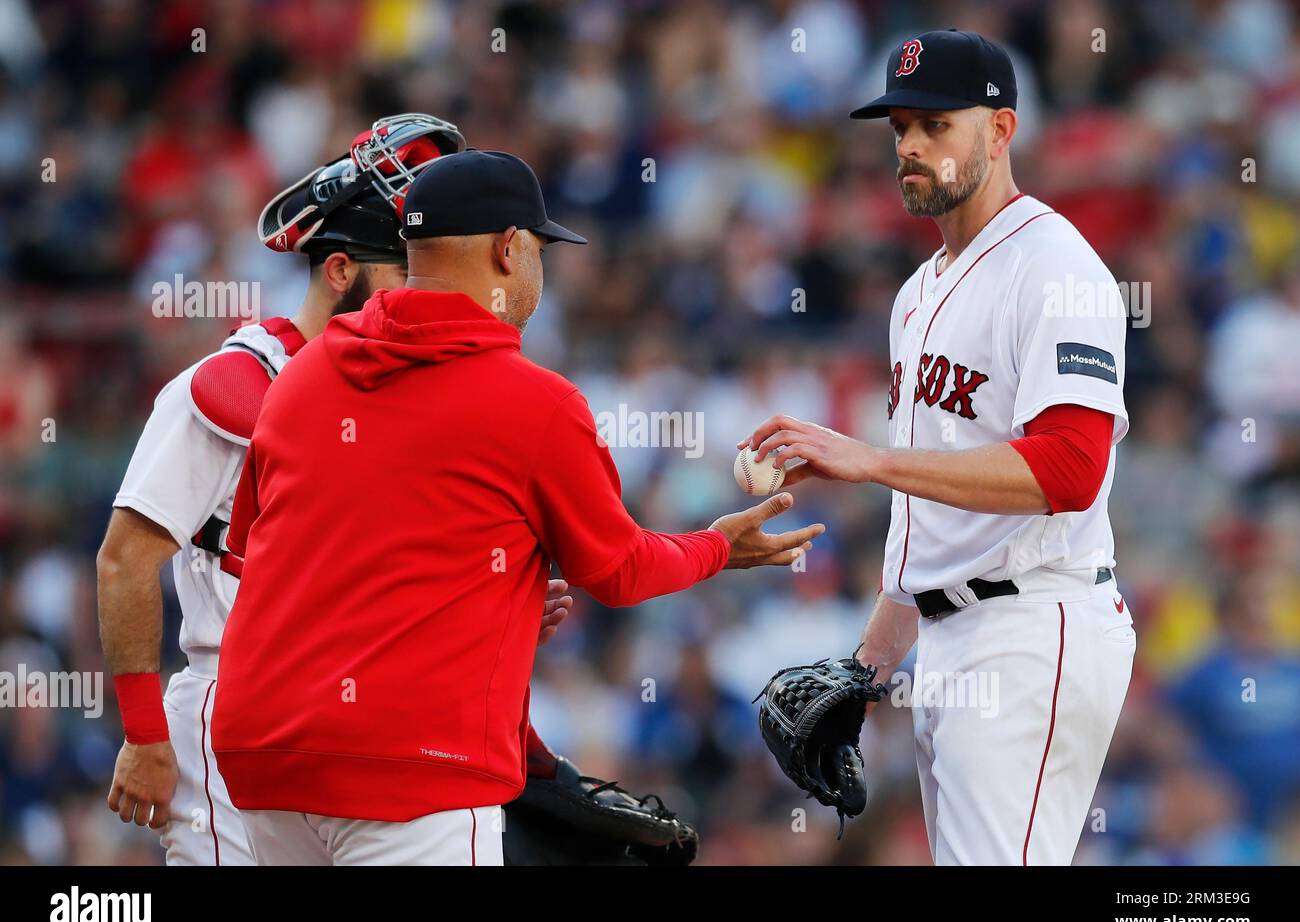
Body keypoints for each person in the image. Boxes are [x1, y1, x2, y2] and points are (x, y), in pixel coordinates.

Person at [211, 149, 825, 866]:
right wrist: (718, 546)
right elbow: (619, 570)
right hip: (411, 770)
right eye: (538, 248)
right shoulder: (535, 401)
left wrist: (473, 609)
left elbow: (258, 552)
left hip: (263, 759)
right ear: (509, 249)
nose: (540, 267)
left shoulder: (303, 375)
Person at [96, 114, 533, 864]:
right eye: (404, 271)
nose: (426, 291)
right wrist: (141, 734)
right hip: (231, 714)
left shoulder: (400, 393)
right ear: (340, 272)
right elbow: (124, 560)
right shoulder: (239, 382)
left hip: (350, 728)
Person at [743, 30, 1134, 865]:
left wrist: (872, 461)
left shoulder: (1055, 268)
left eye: (936, 124)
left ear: (1000, 130)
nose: (912, 147)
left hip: (1034, 622)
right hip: (951, 636)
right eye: (899, 130)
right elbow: (931, 518)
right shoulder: (917, 294)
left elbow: (1070, 467)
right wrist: (869, 666)